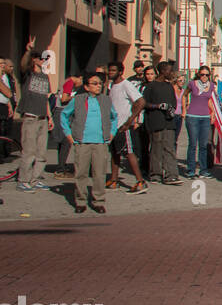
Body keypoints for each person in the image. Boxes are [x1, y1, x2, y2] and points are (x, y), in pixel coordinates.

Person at [60, 70, 118, 213]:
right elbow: (64, 115)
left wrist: (112, 133)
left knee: (99, 173)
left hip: (100, 142)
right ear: (86, 86)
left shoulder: (105, 100)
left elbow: (114, 117)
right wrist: (68, 134)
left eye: (100, 83)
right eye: (94, 84)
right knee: (81, 173)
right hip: (82, 142)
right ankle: (81, 201)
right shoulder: (78, 99)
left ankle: (98, 200)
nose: (98, 86)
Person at [16, 38, 54, 191]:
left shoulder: (45, 77)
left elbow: (45, 98)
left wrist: (49, 116)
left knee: (41, 152)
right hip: (30, 117)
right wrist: (29, 50)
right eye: (39, 58)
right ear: (34, 60)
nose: (42, 61)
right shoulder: (28, 75)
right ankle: (23, 180)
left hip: (42, 118)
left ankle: (35, 179)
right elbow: (23, 64)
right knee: (29, 151)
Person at [106, 61, 147, 193]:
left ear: (120, 72)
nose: (110, 73)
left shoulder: (126, 85)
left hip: (124, 126)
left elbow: (140, 102)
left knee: (129, 153)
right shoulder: (112, 85)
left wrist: (130, 120)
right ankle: (114, 179)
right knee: (115, 153)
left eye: (113, 70)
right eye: (109, 70)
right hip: (114, 126)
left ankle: (140, 181)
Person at [144, 63, 182, 184]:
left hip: (169, 122)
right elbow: (144, 103)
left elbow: (174, 103)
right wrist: (157, 106)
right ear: (163, 71)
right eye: (169, 71)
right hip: (156, 121)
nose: (171, 73)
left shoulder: (169, 86)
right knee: (156, 148)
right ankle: (155, 174)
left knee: (169, 148)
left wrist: (171, 110)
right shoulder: (151, 86)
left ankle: (171, 175)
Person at [182, 65, 218, 178]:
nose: (204, 77)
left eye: (207, 75)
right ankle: (190, 170)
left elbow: (208, 101)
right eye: (202, 74)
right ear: (198, 74)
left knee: (203, 145)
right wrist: (184, 109)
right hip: (192, 116)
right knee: (193, 144)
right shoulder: (192, 84)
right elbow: (184, 95)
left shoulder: (211, 86)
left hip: (205, 117)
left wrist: (212, 112)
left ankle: (203, 170)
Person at [0, 57, 13, 159]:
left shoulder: (4, 76)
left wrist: (9, 105)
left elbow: (8, 94)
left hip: (3, 106)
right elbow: (8, 93)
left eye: (3, 63)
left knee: (3, 131)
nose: (2, 65)